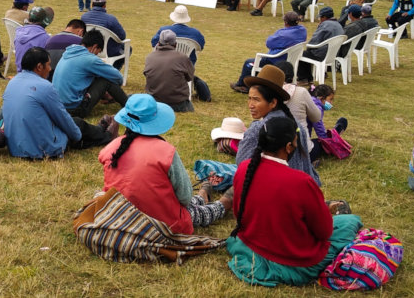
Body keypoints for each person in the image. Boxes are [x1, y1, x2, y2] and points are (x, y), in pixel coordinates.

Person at [226, 115, 359, 287]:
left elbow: (239, 212)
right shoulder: (301, 182)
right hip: (295, 262)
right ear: (289, 147)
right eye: (296, 142)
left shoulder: (244, 168)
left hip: (252, 244)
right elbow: (324, 233)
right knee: (349, 221)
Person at [100, 94, 230, 233]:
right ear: (154, 121)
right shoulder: (166, 152)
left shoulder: (111, 147)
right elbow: (185, 198)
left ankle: (203, 195)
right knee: (202, 212)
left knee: (189, 204)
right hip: (160, 222)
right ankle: (225, 201)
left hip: (121, 215)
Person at [2, 47, 116, 159]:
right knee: (77, 125)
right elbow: (63, 119)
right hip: (41, 149)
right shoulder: (44, 87)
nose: (50, 69)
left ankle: (100, 130)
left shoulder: (12, 83)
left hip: (14, 148)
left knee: (72, 126)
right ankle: (107, 136)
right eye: (48, 64)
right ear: (39, 67)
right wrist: (77, 136)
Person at [236, 65, 321, 186]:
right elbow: (306, 168)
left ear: (273, 103)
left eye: (256, 99)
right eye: (249, 98)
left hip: (274, 190)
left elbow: (242, 167)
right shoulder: (296, 125)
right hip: (300, 187)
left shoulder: (259, 129)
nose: (250, 104)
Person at [53, 30, 129, 118]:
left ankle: (109, 97)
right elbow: (118, 77)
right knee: (106, 80)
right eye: (97, 53)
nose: (96, 55)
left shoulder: (68, 53)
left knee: (95, 75)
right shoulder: (89, 59)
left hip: (57, 107)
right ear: (94, 47)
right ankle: (129, 104)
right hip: (74, 110)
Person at [231, 11, 307, 93]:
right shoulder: (302, 30)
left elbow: (269, 42)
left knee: (249, 63)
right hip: (288, 61)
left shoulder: (283, 35)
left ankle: (242, 85)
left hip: (275, 60)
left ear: (285, 22)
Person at [143, 30, 195, 112]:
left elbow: (147, 75)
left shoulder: (149, 57)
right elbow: (190, 77)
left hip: (155, 103)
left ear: (158, 43)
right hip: (178, 104)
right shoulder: (182, 57)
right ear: (175, 44)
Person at [298, 6, 344, 80]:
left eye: (320, 17)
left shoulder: (325, 25)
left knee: (300, 54)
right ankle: (320, 72)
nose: (319, 19)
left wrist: (308, 48)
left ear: (324, 17)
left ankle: (304, 78)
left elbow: (314, 42)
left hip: (321, 55)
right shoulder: (338, 25)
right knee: (307, 53)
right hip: (333, 54)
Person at [81, 0, 128, 65]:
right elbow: (122, 36)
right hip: (107, 52)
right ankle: (113, 71)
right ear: (105, 5)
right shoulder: (111, 19)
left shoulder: (84, 17)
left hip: (88, 49)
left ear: (92, 4)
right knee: (128, 49)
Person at [13, 6, 54, 73]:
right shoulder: (45, 38)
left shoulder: (18, 33)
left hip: (20, 73)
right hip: (36, 75)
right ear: (44, 21)